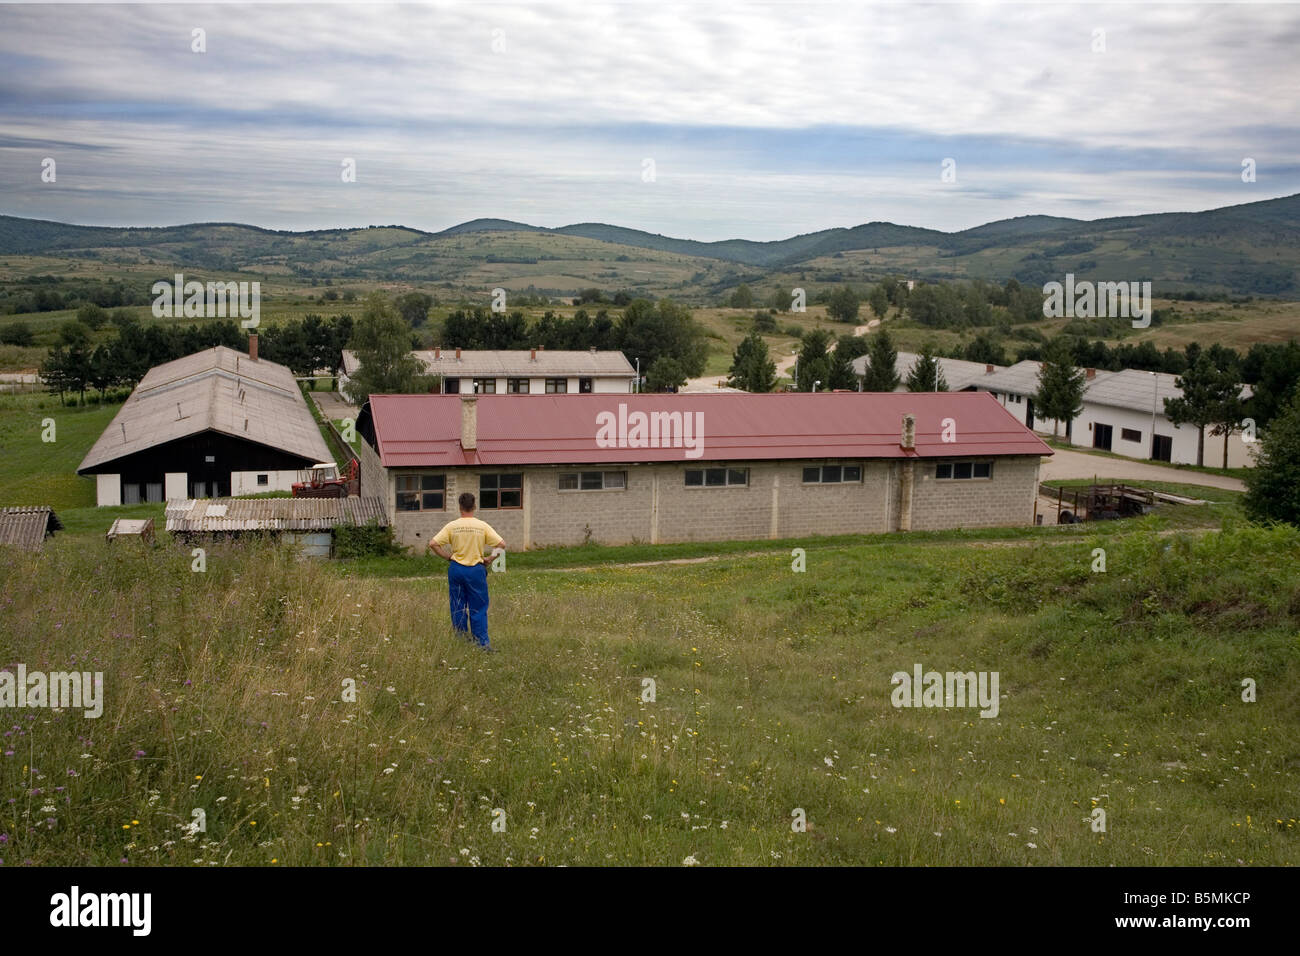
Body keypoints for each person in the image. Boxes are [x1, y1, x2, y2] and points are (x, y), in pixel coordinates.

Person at [429, 493, 506, 650]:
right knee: (478, 606)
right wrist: (490, 559)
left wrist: (448, 557)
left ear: (460, 507)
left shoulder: (452, 526)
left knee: (457, 605)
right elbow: (501, 544)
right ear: (474, 506)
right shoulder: (482, 526)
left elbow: (433, 544)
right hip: (476, 570)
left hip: (456, 569)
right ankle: (482, 643)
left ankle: (461, 640)